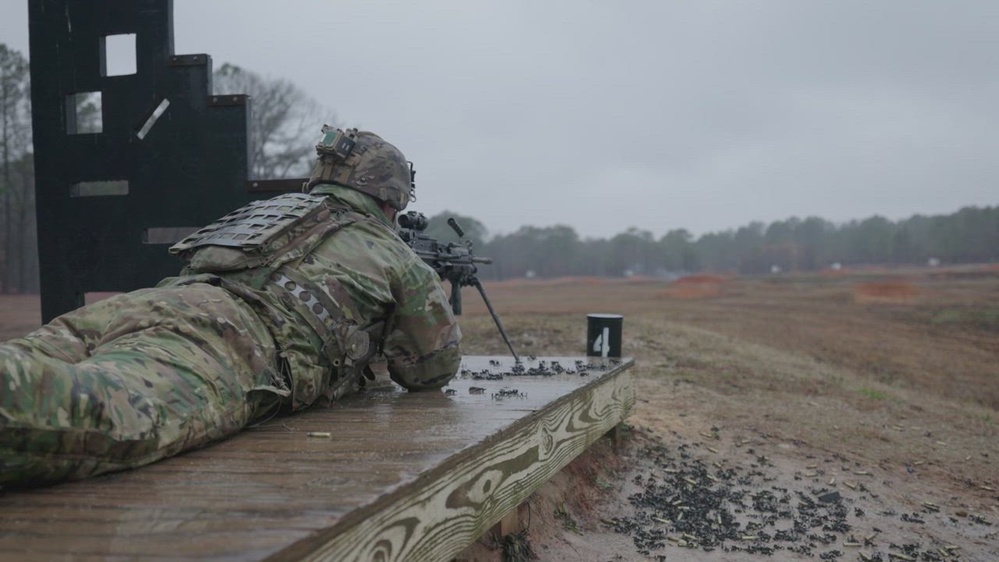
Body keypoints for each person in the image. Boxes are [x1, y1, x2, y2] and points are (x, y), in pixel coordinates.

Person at [0, 128, 462, 486]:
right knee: (103, 419)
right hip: (227, 336)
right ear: (390, 201)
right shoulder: (394, 252)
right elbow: (430, 370)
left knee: (22, 363)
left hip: (148, 302)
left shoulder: (277, 210)